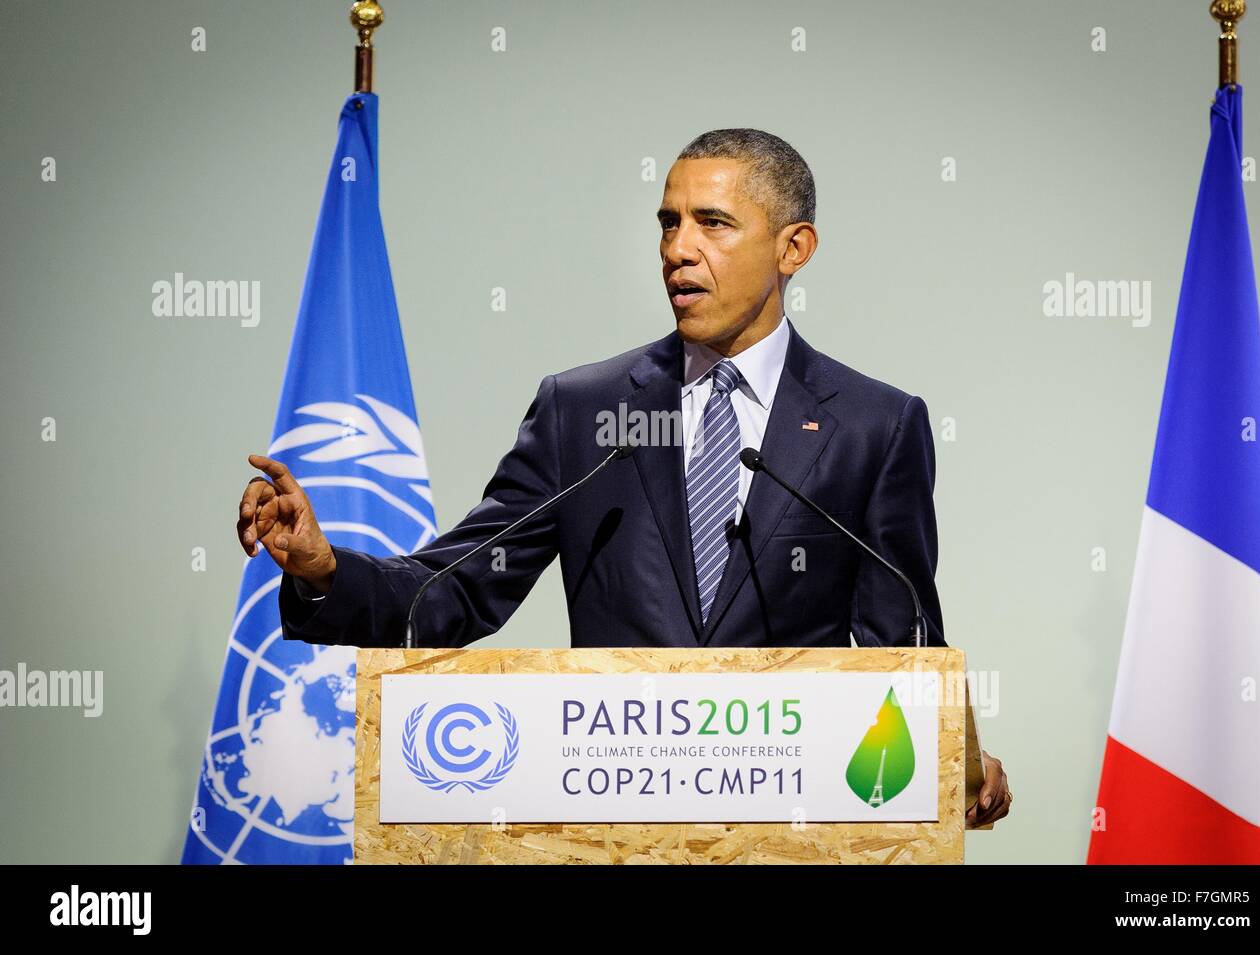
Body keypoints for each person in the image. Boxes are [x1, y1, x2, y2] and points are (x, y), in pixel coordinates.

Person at [235, 128, 1011, 828]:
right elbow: (455, 589)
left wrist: (951, 763)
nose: (678, 248)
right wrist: (322, 569)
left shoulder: (875, 425)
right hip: (610, 830)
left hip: (791, 834)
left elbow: (900, 647)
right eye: (668, 223)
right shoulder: (583, 412)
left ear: (793, 247)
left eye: (712, 223)